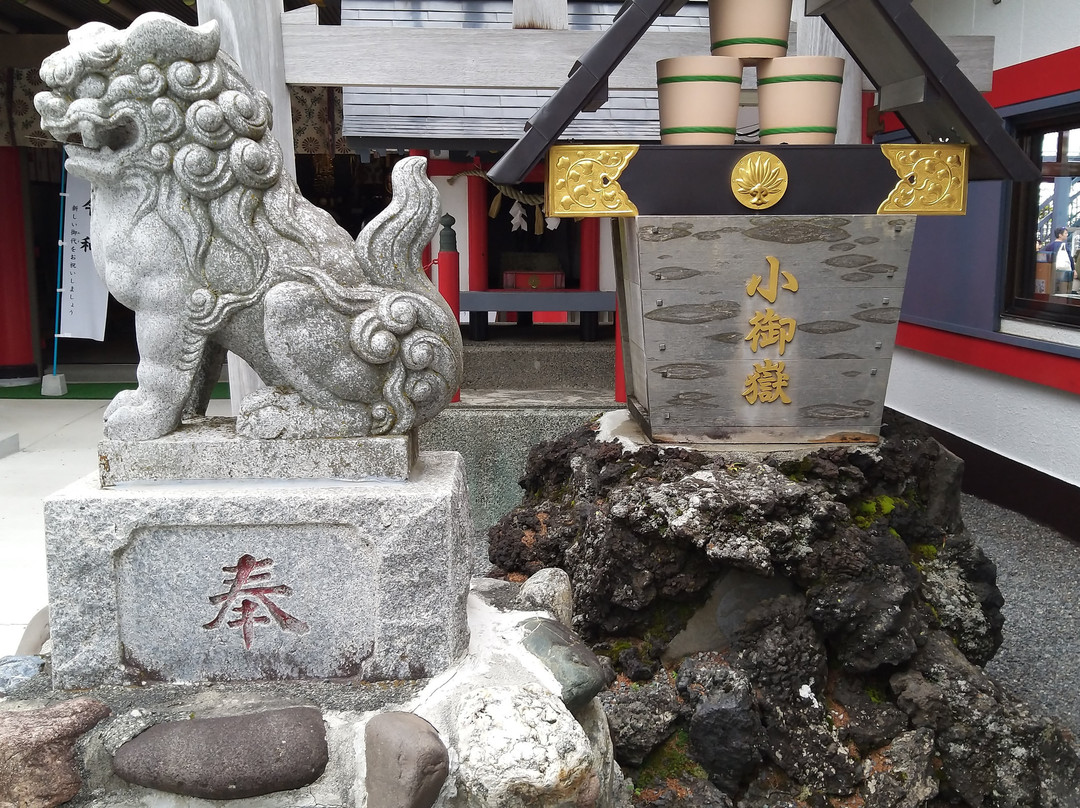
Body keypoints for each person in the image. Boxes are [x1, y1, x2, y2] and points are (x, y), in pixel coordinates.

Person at [1047, 227, 1076, 292]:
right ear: (1060, 235)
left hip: (1051, 270)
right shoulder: (1064, 245)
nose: (1067, 235)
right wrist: (1073, 269)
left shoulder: (1049, 246)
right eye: (1065, 233)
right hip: (1063, 272)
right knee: (1063, 290)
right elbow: (1070, 258)